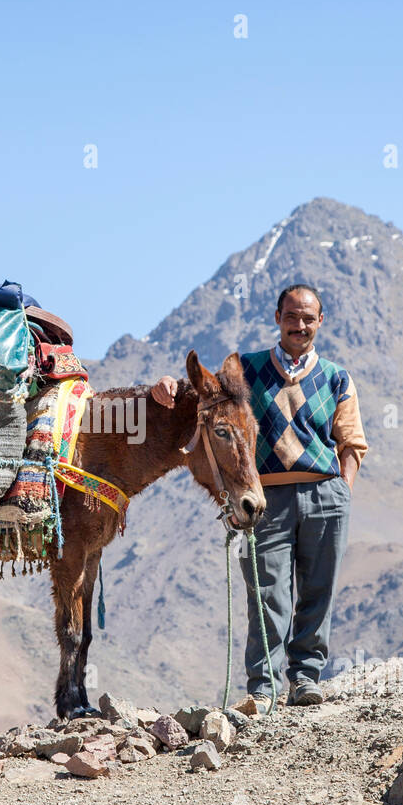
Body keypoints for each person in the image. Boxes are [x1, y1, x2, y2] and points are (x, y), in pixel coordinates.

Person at [151, 284, 367, 712]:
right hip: (265, 497)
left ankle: (305, 678)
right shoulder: (246, 370)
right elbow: (205, 393)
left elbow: (352, 442)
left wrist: (342, 488)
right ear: (277, 318)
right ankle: (263, 688)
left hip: (325, 494)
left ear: (320, 322)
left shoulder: (337, 377)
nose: (299, 325)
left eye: (308, 318)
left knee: (318, 590)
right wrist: (167, 386)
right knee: (267, 593)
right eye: (292, 316)